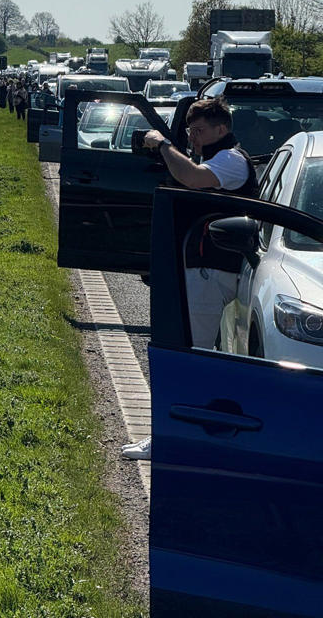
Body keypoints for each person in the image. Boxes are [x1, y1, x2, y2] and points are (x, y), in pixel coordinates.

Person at [121, 95, 258, 461]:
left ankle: (168, 440)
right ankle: (188, 435)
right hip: (209, 269)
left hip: (213, 272)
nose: (194, 138)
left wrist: (164, 144)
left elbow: (192, 178)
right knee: (197, 357)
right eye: (189, 131)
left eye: (199, 131)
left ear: (222, 129)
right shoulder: (219, 158)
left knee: (187, 358)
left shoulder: (230, 160)